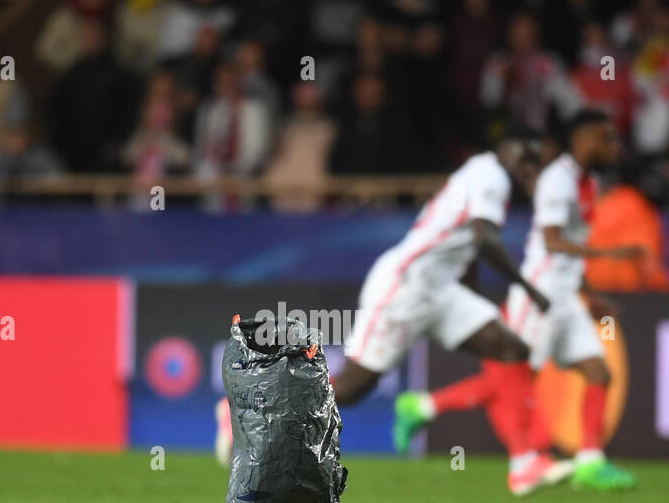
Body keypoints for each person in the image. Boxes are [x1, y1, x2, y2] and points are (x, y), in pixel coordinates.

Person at [214, 127, 550, 464]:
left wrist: (472, 298)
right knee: (353, 387)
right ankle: (250, 409)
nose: (530, 170)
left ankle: (525, 461)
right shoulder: (493, 177)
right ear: (513, 151)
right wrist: (530, 288)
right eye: (529, 160)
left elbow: (469, 243)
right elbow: (485, 239)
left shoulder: (482, 171)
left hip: (439, 288)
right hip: (406, 286)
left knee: (511, 349)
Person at [393, 111, 643, 494]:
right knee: (514, 380)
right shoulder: (557, 181)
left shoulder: (588, 184)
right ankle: (432, 411)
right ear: (582, 140)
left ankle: (591, 462)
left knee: (598, 371)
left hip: (566, 296)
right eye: (605, 138)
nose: (614, 146)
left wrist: (589, 297)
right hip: (538, 293)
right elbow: (553, 241)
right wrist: (612, 253)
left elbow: (570, 256)